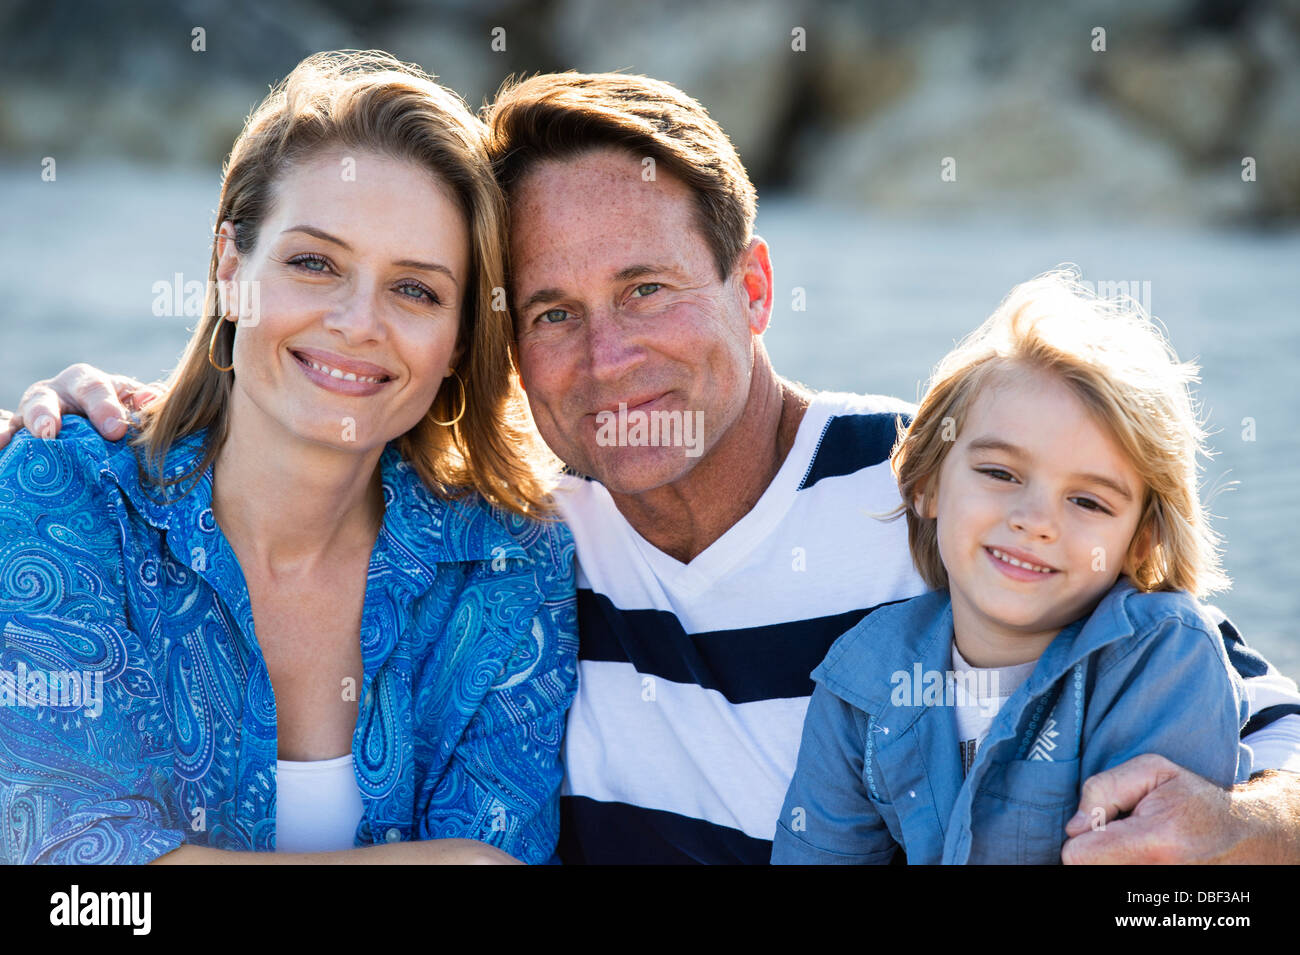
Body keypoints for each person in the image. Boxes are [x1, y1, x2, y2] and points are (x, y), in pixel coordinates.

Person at [6, 69, 1300, 865]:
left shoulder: (940, 496)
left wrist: (1253, 828)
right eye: (553, 311)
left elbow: (1253, 721)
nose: (610, 356)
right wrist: (108, 409)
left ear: (755, 286)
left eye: (648, 289)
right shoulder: (526, 532)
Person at [0, 51, 577, 865]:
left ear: (458, 343)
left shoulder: (505, 563)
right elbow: (75, 885)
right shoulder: (68, 495)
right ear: (231, 269)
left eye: (416, 289)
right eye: (315, 262)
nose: (356, 321)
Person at [772, 271, 1253, 864]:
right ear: (926, 484)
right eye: (1000, 473)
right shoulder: (863, 678)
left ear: (1141, 542)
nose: (1035, 520)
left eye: (1088, 501)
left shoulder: (1161, 660)